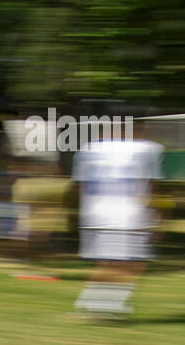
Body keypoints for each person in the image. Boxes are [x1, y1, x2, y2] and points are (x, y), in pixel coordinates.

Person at [71, 121, 165, 318]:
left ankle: (95, 303)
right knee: (135, 263)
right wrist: (158, 217)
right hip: (129, 214)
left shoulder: (90, 148)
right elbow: (152, 186)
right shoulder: (146, 149)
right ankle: (107, 305)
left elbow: (79, 186)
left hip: (95, 213)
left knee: (107, 263)